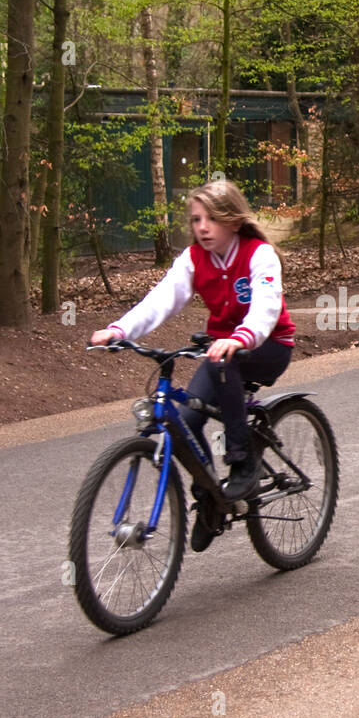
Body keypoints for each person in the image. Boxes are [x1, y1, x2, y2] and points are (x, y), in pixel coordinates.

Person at [90, 179, 295, 552]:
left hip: (267, 345)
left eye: (212, 219)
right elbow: (161, 300)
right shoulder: (193, 259)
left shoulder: (258, 254)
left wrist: (240, 338)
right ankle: (211, 499)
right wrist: (119, 330)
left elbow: (265, 307)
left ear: (233, 221)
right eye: (197, 219)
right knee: (183, 420)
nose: (202, 227)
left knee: (226, 365)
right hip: (219, 351)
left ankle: (241, 461)